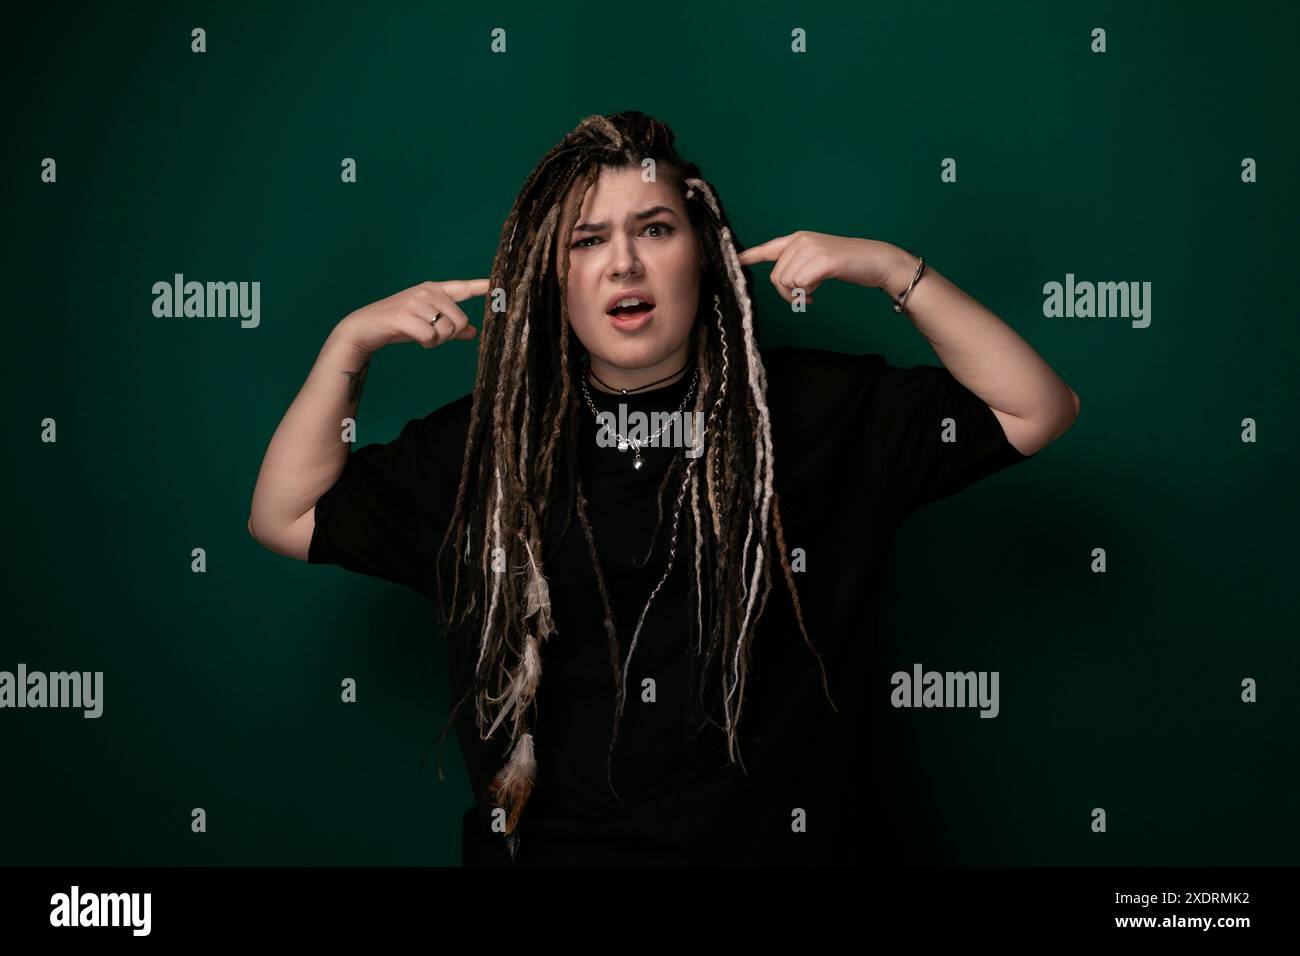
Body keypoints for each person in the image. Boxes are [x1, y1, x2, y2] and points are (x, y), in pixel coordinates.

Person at [247, 111, 1079, 866]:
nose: (623, 263)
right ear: (551, 276)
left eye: (654, 228)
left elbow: (1036, 408)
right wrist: (347, 348)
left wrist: (895, 270)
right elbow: (284, 515)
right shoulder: (488, 446)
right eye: (586, 239)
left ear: (708, 257)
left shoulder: (818, 413)